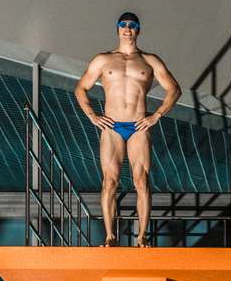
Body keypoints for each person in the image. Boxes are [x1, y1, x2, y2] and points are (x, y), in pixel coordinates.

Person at [74, 13, 182, 247]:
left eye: (132, 25)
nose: (127, 28)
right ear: (117, 29)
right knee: (109, 181)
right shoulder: (103, 59)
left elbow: (174, 89)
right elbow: (81, 88)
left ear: (138, 30)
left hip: (138, 126)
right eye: (123, 25)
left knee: (141, 181)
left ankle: (141, 236)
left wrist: (157, 115)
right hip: (112, 126)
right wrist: (92, 115)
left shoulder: (150, 60)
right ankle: (110, 236)